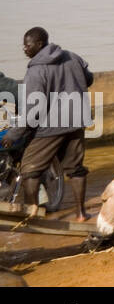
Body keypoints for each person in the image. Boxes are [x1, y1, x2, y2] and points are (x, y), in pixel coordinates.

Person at [0, 28, 93, 221]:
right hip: (76, 121)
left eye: (28, 45)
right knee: (75, 168)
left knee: (29, 169)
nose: (24, 49)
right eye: (23, 45)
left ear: (40, 44)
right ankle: (81, 213)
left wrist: (13, 134)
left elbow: (33, 110)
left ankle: (33, 211)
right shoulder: (71, 57)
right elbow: (89, 78)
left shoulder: (36, 71)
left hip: (51, 127)